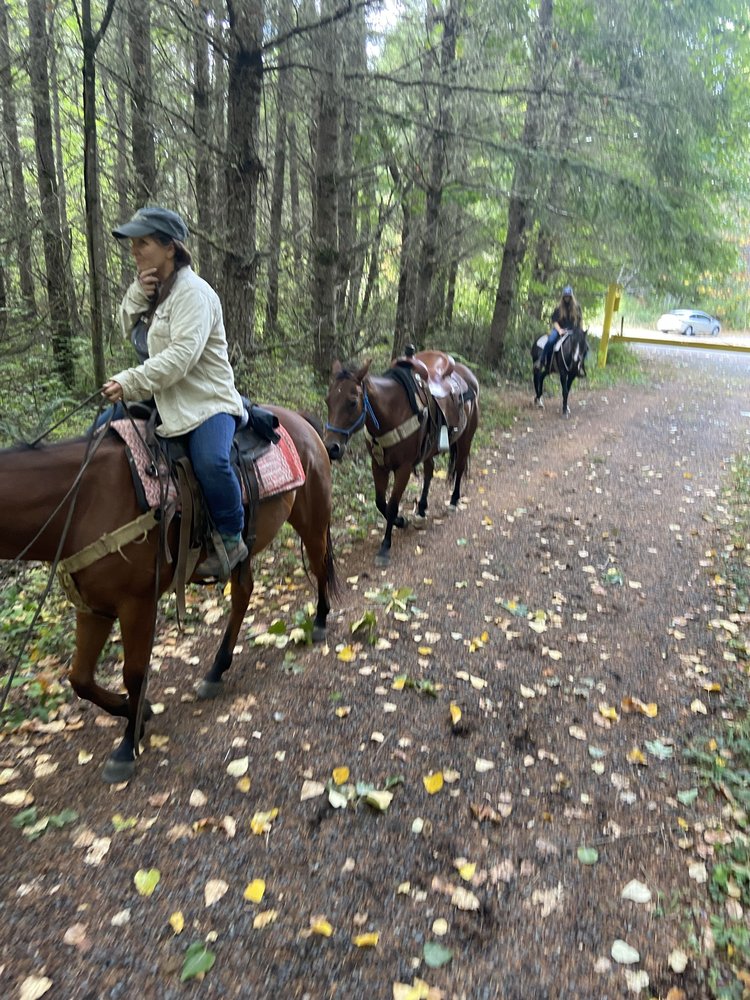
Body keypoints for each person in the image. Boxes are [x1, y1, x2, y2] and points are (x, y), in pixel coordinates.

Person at [101, 206, 247, 579]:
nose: (135, 250)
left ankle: (232, 540)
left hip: (206, 402)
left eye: (143, 242)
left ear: (170, 248)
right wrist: (137, 294)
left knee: (211, 461)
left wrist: (129, 381)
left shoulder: (194, 294)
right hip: (163, 398)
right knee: (105, 429)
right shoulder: (155, 289)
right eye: (132, 243)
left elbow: (181, 357)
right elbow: (126, 328)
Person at [540, 285, 583, 369]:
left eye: (568, 296)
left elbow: (580, 321)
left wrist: (580, 331)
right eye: (565, 296)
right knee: (551, 340)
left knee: (583, 344)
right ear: (563, 297)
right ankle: (542, 359)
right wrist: (559, 330)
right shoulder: (559, 307)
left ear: (571, 296)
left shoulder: (577, 307)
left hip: (573, 330)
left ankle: (581, 365)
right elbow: (555, 321)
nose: (567, 298)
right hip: (560, 329)